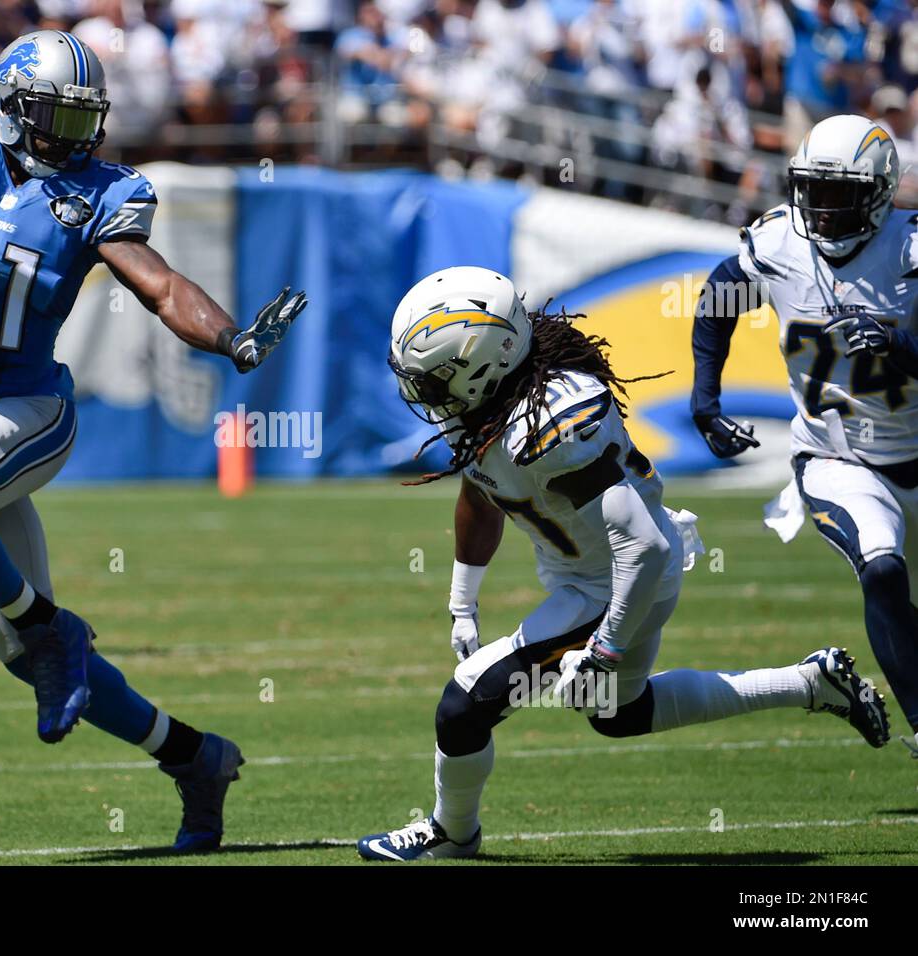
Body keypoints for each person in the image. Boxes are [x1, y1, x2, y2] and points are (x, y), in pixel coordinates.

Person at [0, 30, 308, 852]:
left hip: (29, 414)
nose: (73, 137)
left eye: (84, 121)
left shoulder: (98, 192)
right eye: (54, 118)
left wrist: (230, 339)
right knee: (20, 652)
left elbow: (159, 286)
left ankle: (55, 629)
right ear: (7, 106)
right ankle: (194, 757)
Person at [358, 265, 889, 861]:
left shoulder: (550, 423)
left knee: (462, 707)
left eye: (437, 379)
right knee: (619, 714)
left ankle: (452, 835)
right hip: (606, 574)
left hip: (616, 581)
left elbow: (645, 547)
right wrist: (462, 601)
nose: (428, 395)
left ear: (486, 360)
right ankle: (810, 683)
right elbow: (481, 494)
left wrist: (606, 646)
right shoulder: (499, 402)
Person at [692, 113, 918, 759]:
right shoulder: (778, 244)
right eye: (811, 188)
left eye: (838, 193)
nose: (820, 208)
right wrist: (705, 398)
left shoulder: (911, 251)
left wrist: (901, 345)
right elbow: (716, 300)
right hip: (839, 455)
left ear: (878, 192)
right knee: (881, 571)